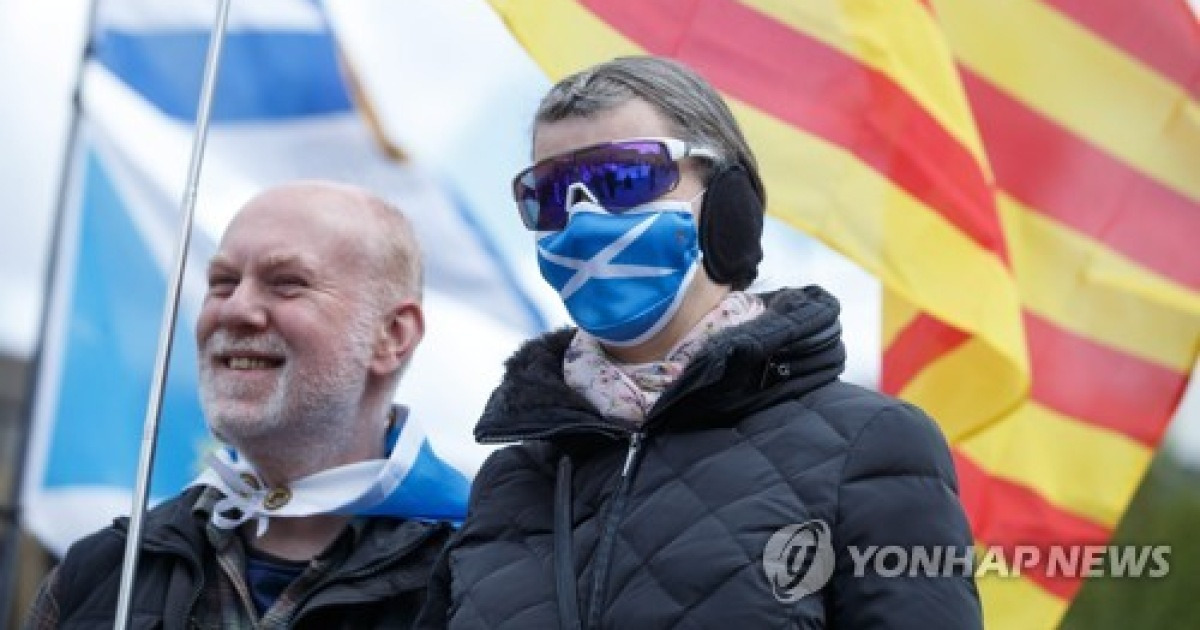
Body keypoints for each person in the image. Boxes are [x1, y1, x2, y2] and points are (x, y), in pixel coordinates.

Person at [419, 56, 982, 628]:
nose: (583, 216)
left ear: (726, 201)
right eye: (552, 192)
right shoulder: (508, 483)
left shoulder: (869, 443)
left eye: (624, 178)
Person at [25, 181, 452, 629]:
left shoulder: (482, 573)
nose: (234, 310)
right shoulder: (101, 569)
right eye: (222, 283)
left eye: (287, 284)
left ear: (392, 335)